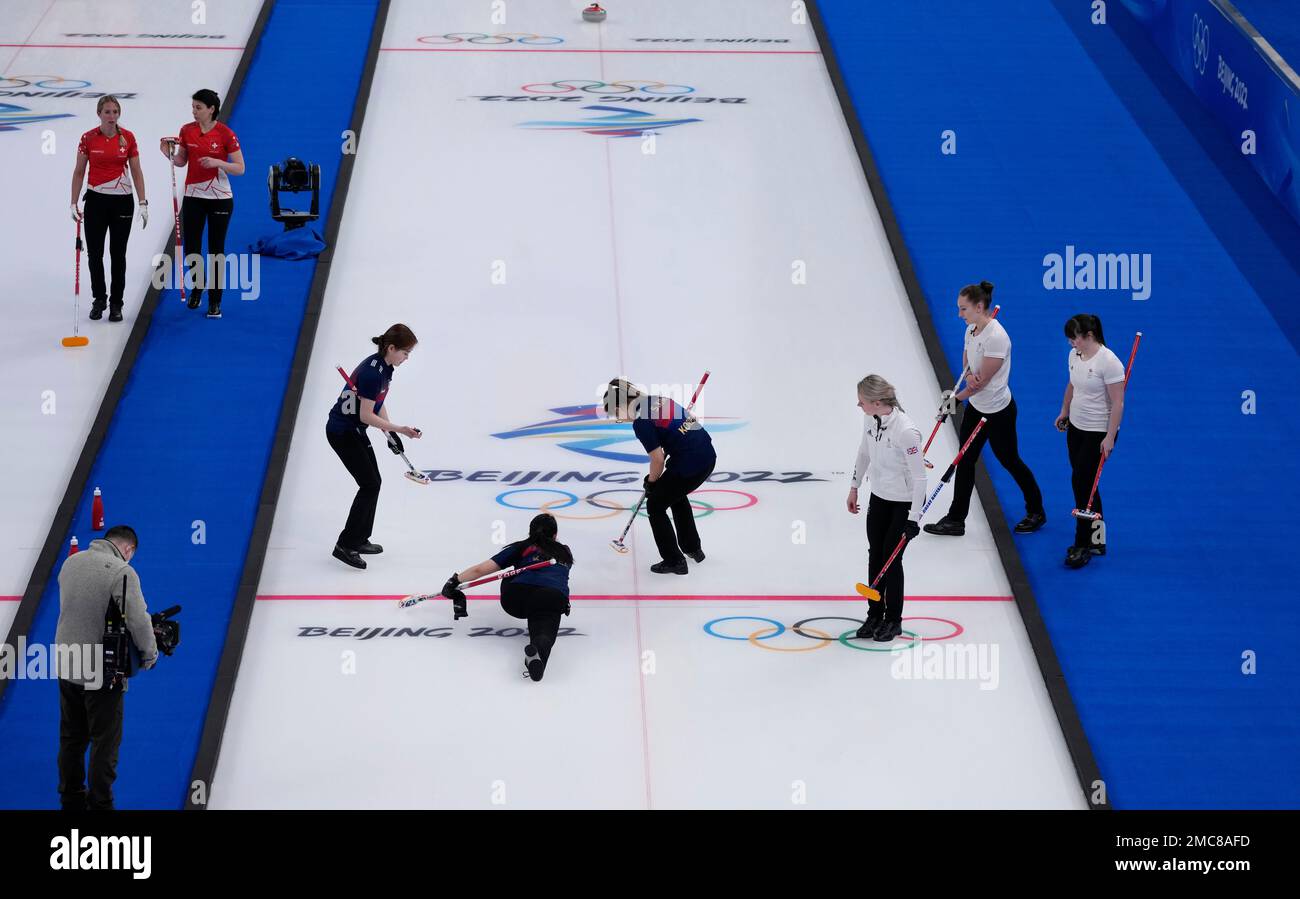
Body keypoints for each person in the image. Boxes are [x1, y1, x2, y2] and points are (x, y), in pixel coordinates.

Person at [924, 281, 1046, 537]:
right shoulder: (972, 329)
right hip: (976, 408)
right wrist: (968, 374)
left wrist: (955, 400)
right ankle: (956, 520)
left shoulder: (998, 338)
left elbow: (982, 384)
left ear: (979, 307)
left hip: (998, 412)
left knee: (1009, 459)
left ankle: (1036, 510)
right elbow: (968, 359)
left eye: (963, 309)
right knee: (965, 460)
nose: (960, 314)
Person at [54, 525, 157, 811]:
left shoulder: (71, 562)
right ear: (128, 549)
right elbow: (138, 620)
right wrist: (150, 654)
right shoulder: (122, 572)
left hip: (67, 661)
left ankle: (70, 797)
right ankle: (100, 802)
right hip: (102, 670)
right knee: (105, 739)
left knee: (72, 736)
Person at [326, 324, 422, 569]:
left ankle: (359, 539)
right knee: (369, 485)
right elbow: (367, 415)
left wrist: (389, 431)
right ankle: (345, 545)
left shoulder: (385, 367)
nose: (407, 358)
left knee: (373, 483)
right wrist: (400, 429)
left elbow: (377, 404)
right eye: (405, 353)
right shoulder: (373, 373)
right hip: (342, 432)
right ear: (391, 348)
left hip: (355, 429)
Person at [603, 378, 716, 575]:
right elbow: (689, 423)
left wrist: (651, 482)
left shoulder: (641, 422)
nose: (618, 418)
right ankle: (692, 548)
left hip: (690, 464)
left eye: (616, 413)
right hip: (706, 455)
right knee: (674, 495)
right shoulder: (658, 399)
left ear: (622, 405)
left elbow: (657, 460)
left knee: (655, 505)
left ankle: (674, 561)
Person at [441, 513, 574, 681]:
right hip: (552, 596)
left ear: (530, 532)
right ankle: (538, 651)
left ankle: (536, 662)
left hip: (516, 597)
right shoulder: (565, 551)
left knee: (509, 576)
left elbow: (480, 570)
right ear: (555, 535)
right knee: (545, 632)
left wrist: (455, 580)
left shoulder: (522, 547)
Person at [846, 375, 926, 642]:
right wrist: (855, 486)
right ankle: (874, 613)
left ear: (877, 402)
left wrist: (914, 518)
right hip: (879, 497)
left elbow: (920, 478)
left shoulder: (906, 431)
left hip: (902, 503)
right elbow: (864, 452)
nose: (859, 405)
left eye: (862, 401)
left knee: (892, 561)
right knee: (875, 555)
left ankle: (894, 619)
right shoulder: (871, 419)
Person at [160, 88, 244, 319]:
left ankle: (215, 301)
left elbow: (240, 167)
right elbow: (181, 161)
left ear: (211, 109)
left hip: (220, 197)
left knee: (216, 250)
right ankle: (198, 286)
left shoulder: (225, 134)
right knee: (192, 248)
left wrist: (218, 162)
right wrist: (168, 153)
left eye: (199, 108)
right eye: (193, 107)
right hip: (194, 196)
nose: (194, 112)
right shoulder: (187, 131)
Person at [1056, 314, 1127, 569]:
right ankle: (1099, 538)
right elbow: (1072, 384)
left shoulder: (1109, 363)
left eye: (1074, 338)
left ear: (1089, 335)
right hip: (1076, 426)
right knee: (1086, 481)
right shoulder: (1075, 355)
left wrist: (1110, 437)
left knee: (1081, 482)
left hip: (1099, 432)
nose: (1070, 343)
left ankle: (1083, 542)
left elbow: (1118, 402)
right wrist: (1064, 410)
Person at [70, 95, 148, 323]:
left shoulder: (128, 138)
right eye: (107, 112)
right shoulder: (88, 138)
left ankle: (116, 304)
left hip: (122, 201)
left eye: (115, 112)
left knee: (117, 255)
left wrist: (143, 202)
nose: (112, 116)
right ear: (99, 114)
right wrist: (73, 202)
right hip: (95, 201)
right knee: (94, 254)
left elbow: (137, 171)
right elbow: (78, 172)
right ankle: (99, 299)